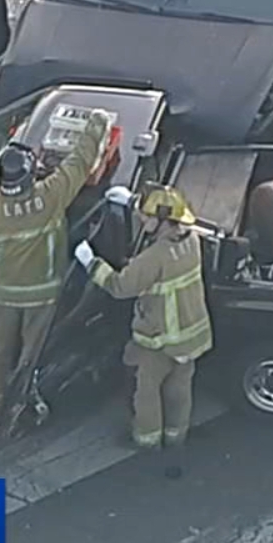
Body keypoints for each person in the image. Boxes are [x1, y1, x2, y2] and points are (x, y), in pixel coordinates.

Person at [0, 109, 111, 421]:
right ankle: (21, 403)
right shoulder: (51, 196)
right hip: (42, 294)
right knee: (31, 354)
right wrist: (98, 122)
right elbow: (80, 162)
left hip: (4, 293)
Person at [74, 184, 212, 463]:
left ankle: (147, 443)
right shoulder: (191, 239)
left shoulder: (155, 257)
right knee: (179, 390)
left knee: (144, 391)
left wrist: (91, 263)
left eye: (144, 216)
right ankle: (176, 439)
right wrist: (133, 201)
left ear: (160, 221)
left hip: (158, 341)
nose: (140, 219)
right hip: (191, 336)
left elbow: (120, 286)